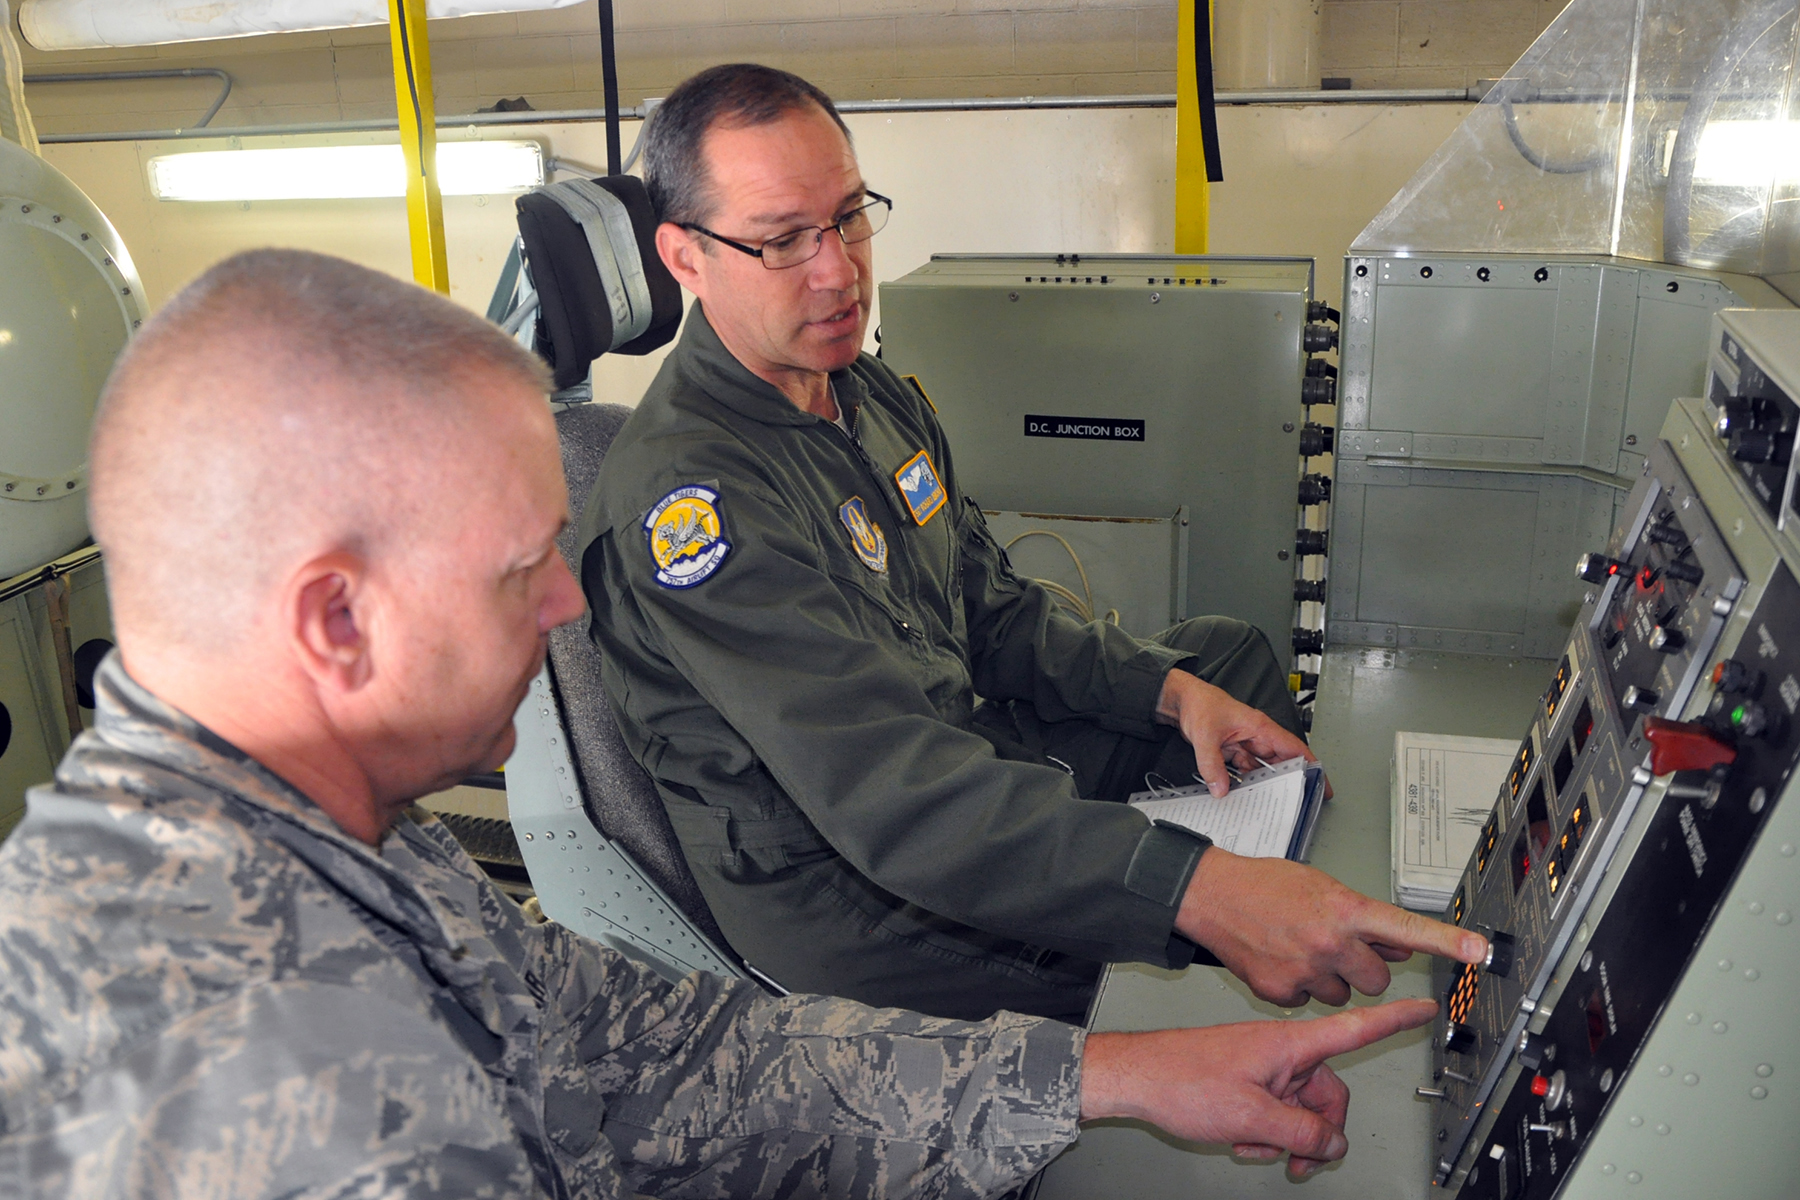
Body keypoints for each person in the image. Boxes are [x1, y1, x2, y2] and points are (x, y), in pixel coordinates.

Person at [0, 248, 1438, 1196]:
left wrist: (1119, 1076)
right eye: (522, 571)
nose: (572, 610)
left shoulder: (330, 846)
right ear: (334, 620)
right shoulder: (265, 1078)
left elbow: (659, 1057)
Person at [582, 64, 1487, 1022]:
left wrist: (1173, 693)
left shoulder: (864, 392)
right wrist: (1199, 893)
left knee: (1226, 659)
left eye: (849, 216)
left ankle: (1271, 891)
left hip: (951, 755)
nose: (839, 270)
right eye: (783, 240)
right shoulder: (691, 506)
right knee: (1171, 962)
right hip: (849, 888)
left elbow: (991, 608)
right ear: (683, 257)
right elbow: (899, 800)